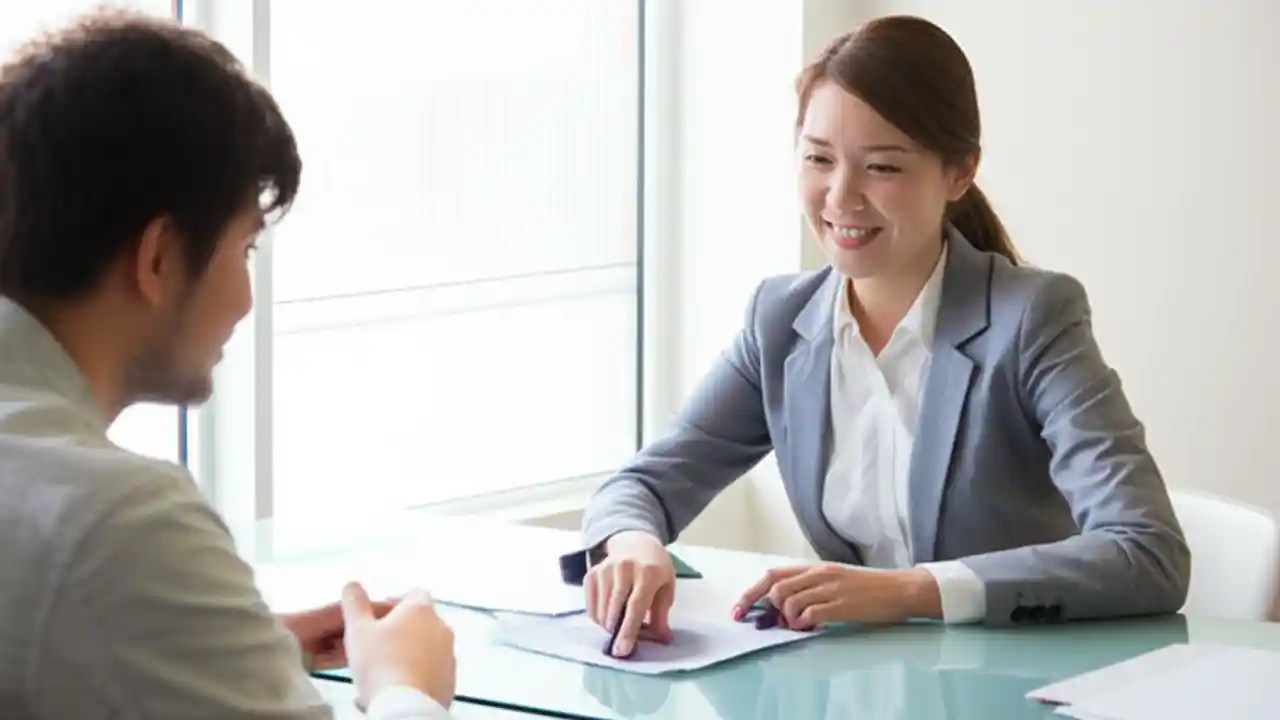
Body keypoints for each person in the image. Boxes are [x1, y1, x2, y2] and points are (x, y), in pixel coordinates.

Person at [581, 15, 1190, 658]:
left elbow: (1147, 551)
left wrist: (908, 591)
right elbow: (640, 487)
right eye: (818, 158)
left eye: (883, 168)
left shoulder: (1034, 319)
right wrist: (634, 545)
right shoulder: (780, 322)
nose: (841, 197)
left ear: (959, 174)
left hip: (1020, 682)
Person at [0, 12, 455, 719]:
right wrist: (406, 683)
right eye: (244, 250)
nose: (245, 300)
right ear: (158, 258)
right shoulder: (119, 521)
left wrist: (242, 647)